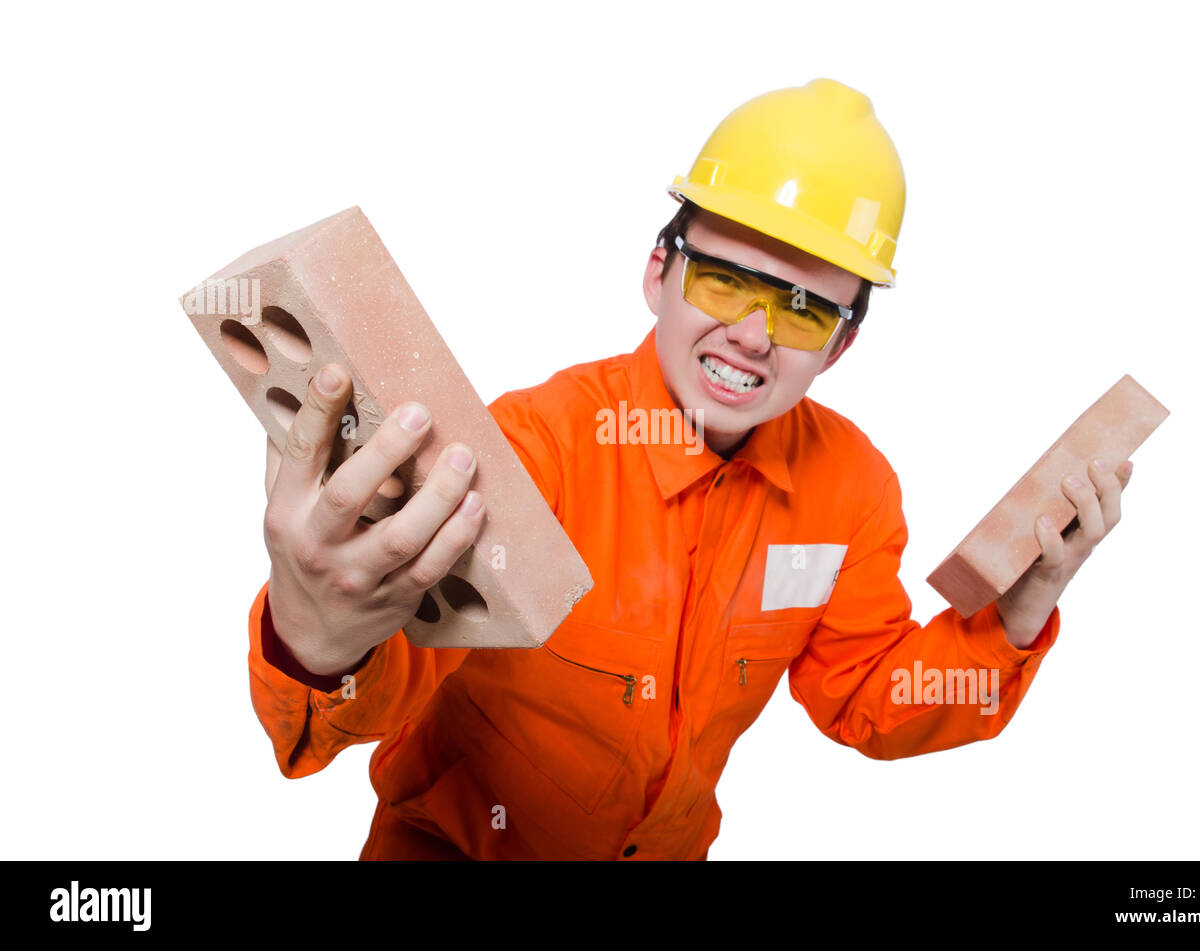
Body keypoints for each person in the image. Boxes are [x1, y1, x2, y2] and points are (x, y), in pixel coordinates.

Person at [250, 78, 1133, 860]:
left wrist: (1012, 620)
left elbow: (867, 695)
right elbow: (385, 688)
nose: (753, 333)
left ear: (841, 343)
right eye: (723, 281)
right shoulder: (537, 446)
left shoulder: (852, 490)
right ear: (659, 271)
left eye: (801, 310)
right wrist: (318, 642)